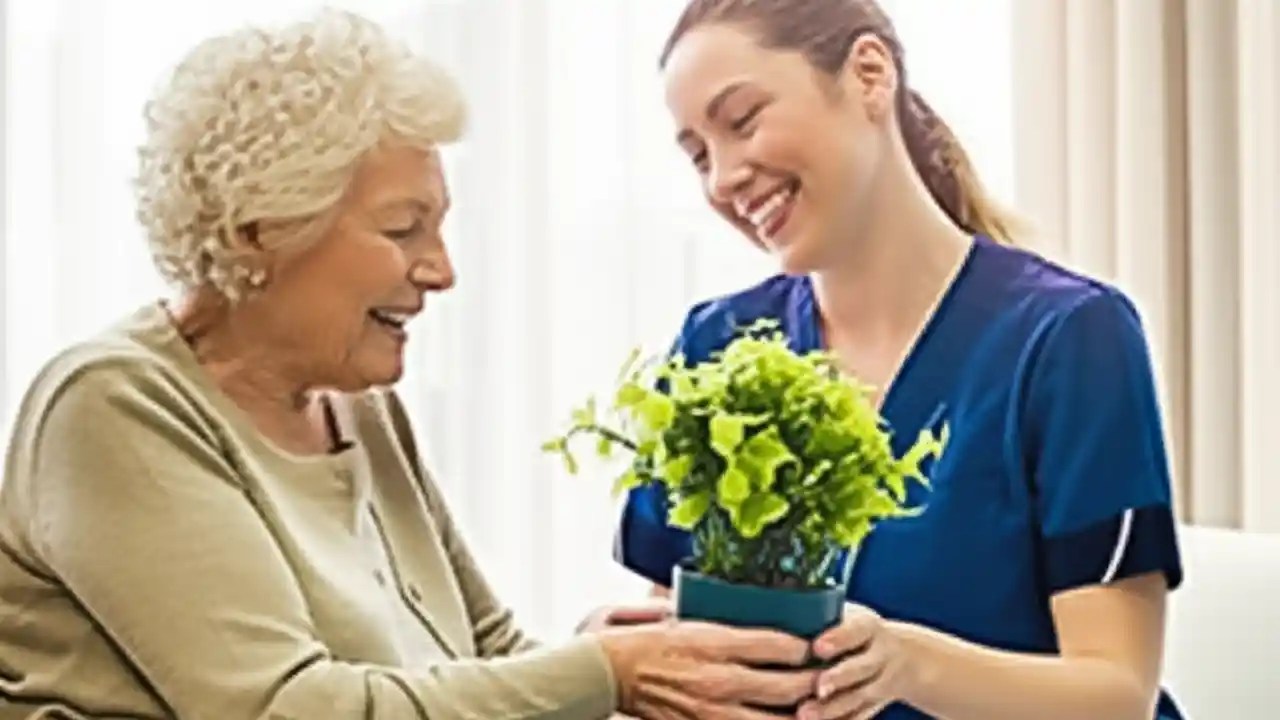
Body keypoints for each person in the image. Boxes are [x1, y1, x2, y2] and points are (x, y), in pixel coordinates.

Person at [0, 10, 824, 719]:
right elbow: (284, 707)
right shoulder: (112, 406)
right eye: (402, 229)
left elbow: (483, 649)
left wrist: (625, 661)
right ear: (262, 230)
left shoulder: (355, 406)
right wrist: (601, 673)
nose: (441, 270)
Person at [613, 1, 1186, 719]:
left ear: (869, 74)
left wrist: (908, 666)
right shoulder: (716, 348)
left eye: (743, 120)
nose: (723, 177)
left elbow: (1117, 695)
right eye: (699, 155)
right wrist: (617, 664)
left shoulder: (1071, 340)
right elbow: (681, 651)